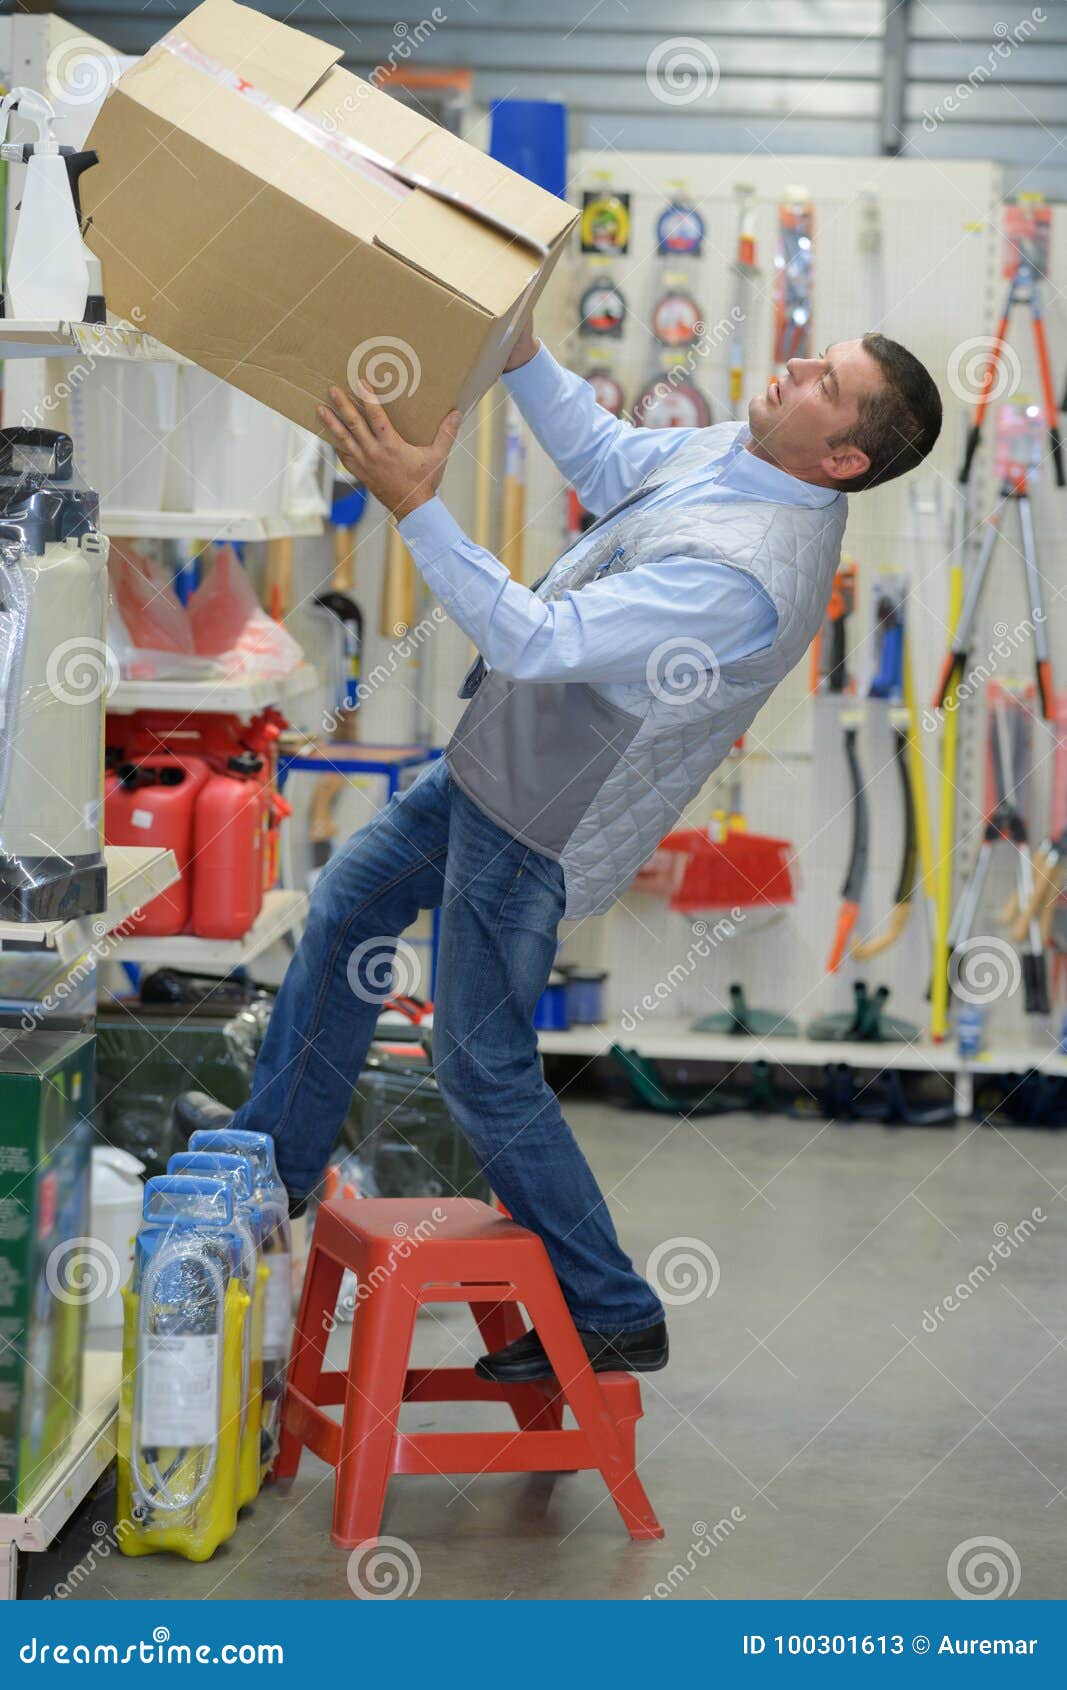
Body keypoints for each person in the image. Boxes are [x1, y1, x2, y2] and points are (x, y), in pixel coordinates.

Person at [177, 323, 942, 1384]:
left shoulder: (747, 576)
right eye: (815, 356)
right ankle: (278, 1159)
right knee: (352, 900)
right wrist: (524, 351)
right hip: (500, 762)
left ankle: (613, 1309)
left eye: (825, 381)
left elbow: (534, 637)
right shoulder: (746, 457)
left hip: (541, 819)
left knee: (478, 1069)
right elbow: (611, 462)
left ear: (844, 459)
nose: (796, 361)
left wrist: (415, 504)